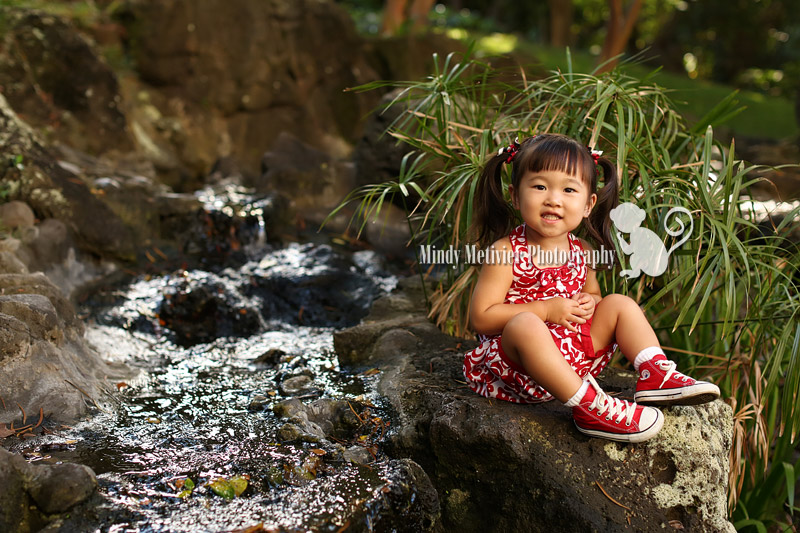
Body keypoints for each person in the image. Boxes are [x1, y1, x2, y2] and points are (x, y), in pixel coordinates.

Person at [463, 134, 720, 443]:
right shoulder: (506, 251)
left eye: (569, 190)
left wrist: (590, 301)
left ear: (588, 205)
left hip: (572, 360)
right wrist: (546, 309)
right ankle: (589, 407)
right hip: (520, 369)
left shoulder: (582, 251)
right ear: (515, 196)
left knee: (619, 303)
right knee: (525, 324)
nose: (553, 199)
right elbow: (481, 318)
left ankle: (655, 373)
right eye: (540, 187)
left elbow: (594, 295)